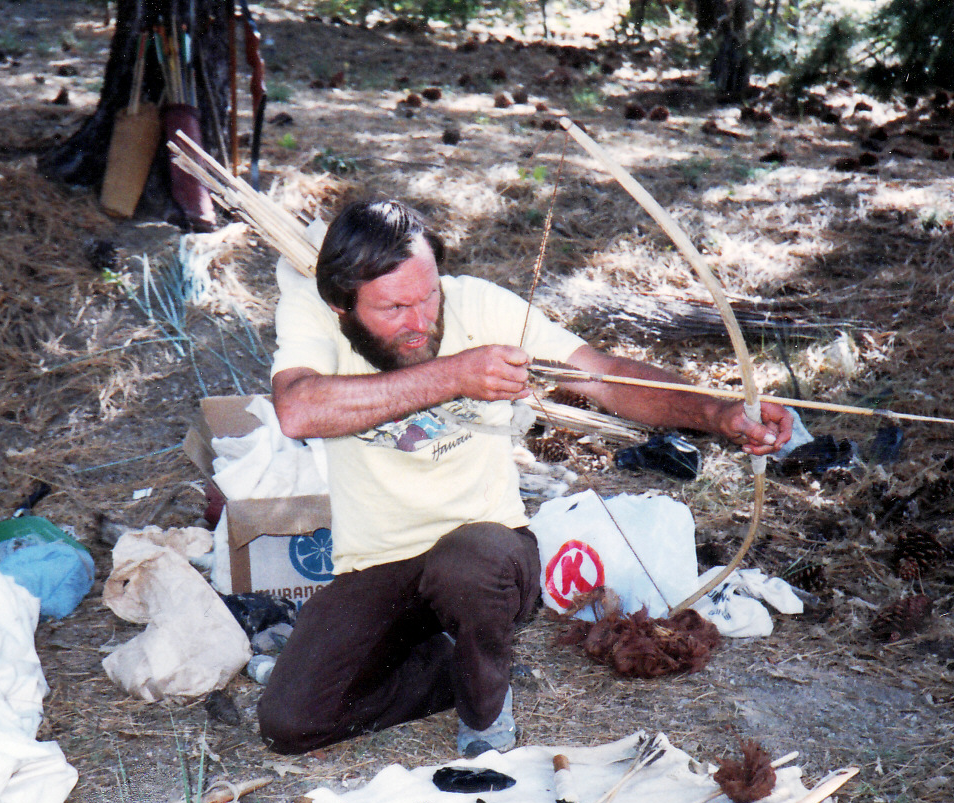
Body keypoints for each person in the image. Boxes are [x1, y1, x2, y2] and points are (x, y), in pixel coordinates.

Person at [256, 198, 791, 757]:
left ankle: (485, 715)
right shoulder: (313, 311)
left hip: (487, 554)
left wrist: (718, 413)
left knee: (469, 561)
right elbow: (299, 409)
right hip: (376, 562)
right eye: (394, 309)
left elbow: (604, 377)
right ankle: (452, 663)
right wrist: (455, 376)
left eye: (428, 296)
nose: (420, 322)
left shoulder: (481, 306)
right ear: (344, 306)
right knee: (292, 721)